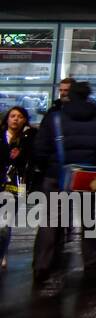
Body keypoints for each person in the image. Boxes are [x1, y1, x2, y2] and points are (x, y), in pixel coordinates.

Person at [31, 81, 96, 285]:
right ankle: (91, 261)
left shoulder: (55, 117)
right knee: (88, 220)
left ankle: (43, 264)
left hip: (56, 174)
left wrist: (44, 167)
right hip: (88, 175)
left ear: (70, 96)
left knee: (50, 221)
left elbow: (40, 149)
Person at [2, 106, 37, 270]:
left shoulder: (29, 139)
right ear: (7, 119)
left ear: (25, 120)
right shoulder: (2, 136)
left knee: (5, 223)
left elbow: (31, 161)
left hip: (17, 186)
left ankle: (2, 250)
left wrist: (21, 154)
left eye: (20, 116)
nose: (15, 119)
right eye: (12, 116)